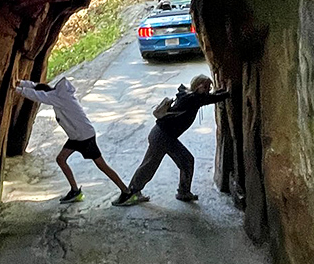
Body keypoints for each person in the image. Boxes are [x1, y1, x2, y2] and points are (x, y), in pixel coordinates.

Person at [113, 74, 229, 206]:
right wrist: (228, 93)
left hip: (163, 135)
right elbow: (210, 99)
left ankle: (181, 192)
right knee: (152, 165)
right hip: (162, 136)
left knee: (179, 161)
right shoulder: (191, 98)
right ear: (198, 86)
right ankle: (129, 194)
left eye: (210, 87)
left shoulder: (189, 95)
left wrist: (221, 91)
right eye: (206, 87)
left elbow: (209, 97)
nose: (208, 89)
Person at [14, 77, 129, 203]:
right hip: (77, 136)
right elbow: (39, 87)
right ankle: (75, 191)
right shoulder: (60, 94)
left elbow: (39, 95)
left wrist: (17, 90)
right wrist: (22, 83)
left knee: (102, 165)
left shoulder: (60, 98)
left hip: (84, 137)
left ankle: (126, 191)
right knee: (61, 159)